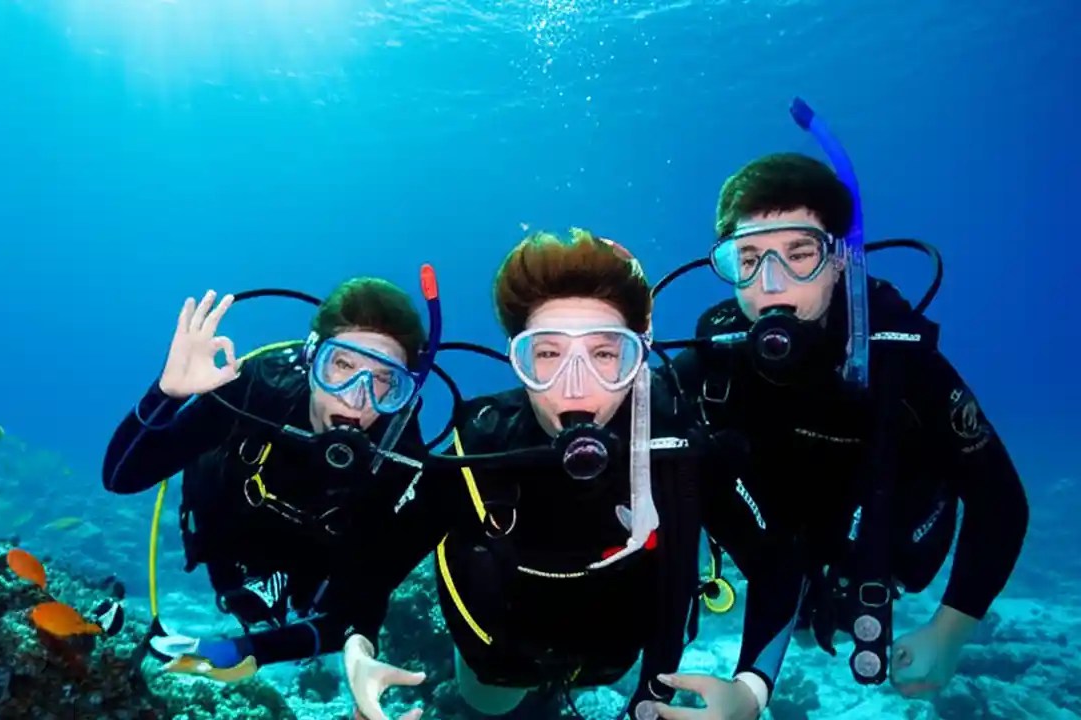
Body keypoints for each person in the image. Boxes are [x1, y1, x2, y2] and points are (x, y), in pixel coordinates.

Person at [647, 142, 1029, 720]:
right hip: (776, 546)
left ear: (842, 261)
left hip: (885, 544)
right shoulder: (712, 365)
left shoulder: (903, 363)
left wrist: (950, 631)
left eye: (799, 253)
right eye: (747, 258)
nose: (770, 283)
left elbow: (999, 498)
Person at [321, 228, 704, 720]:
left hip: (614, 664)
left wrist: (751, 686)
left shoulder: (674, 449)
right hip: (496, 671)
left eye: (605, 354)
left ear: (636, 361)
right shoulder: (478, 450)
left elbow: (776, 554)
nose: (575, 385)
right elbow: (377, 561)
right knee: (491, 703)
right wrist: (359, 645)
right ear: (517, 361)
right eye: (547, 354)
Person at [101, 275, 442, 681]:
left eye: (385, 380)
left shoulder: (401, 461)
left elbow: (357, 613)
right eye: (343, 365)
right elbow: (122, 476)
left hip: (305, 592)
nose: (356, 396)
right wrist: (166, 394)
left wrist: (242, 651)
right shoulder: (257, 391)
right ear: (311, 359)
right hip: (222, 550)